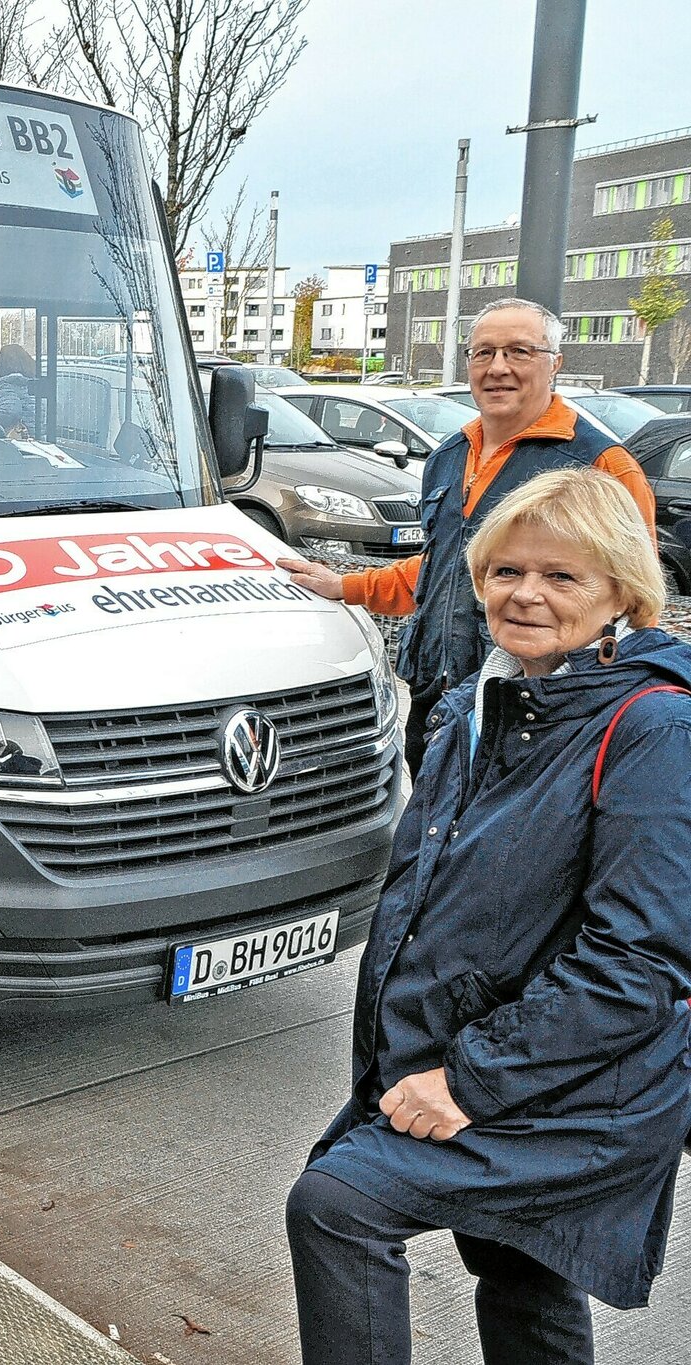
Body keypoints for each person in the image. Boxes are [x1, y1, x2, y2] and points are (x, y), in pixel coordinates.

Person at [286, 467, 691, 1365]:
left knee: (338, 1205)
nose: (527, 594)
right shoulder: (482, 698)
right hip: (491, 1061)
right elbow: (426, 890)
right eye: (505, 571)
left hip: (578, 1090)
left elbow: (641, 961)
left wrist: (467, 1080)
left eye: (562, 575)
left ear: (622, 591)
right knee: (519, 1265)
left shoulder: (654, 726)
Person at [279, 298, 654, 772]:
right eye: (484, 353)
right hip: (438, 702)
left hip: (539, 709)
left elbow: (638, 599)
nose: (498, 367)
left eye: (519, 351)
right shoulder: (449, 456)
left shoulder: (602, 466)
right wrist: (346, 586)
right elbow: (445, 568)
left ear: (555, 363)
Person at [0, 342, 35, 434]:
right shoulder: (32, 387)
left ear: (0, 365)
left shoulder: (4, 387)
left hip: (13, 444)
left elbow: (9, 411)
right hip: (36, 443)